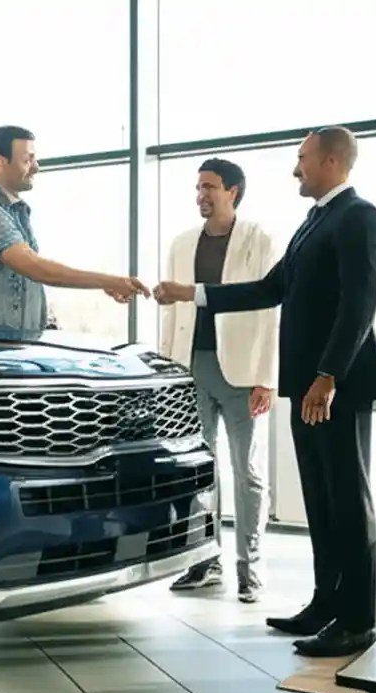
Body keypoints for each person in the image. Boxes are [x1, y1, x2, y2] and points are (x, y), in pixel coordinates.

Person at [153, 126, 376, 658]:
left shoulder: (359, 216)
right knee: (321, 501)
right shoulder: (315, 221)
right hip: (307, 387)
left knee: (349, 501)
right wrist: (191, 293)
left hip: (336, 388)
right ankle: (325, 602)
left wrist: (328, 376)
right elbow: (269, 289)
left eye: (302, 158)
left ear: (331, 160)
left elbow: (359, 305)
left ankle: (357, 619)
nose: (295, 168)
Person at [159, 158, 279, 604]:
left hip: (244, 372)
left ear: (233, 191)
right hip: (192, 368)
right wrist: (171, 370)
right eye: (197, 188)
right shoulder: (182, 243)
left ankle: (250, 568)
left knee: (247, 472)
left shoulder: (258, 239)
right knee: (197, 471)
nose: (201, 195)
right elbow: (172, 310)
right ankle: (203, 563)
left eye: (209, 186)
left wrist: (266, 377)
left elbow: (269, 311)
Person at [0, 125, 149, 331]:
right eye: (27, 160)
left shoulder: (16, 212)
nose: (36, 166)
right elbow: (36, 268)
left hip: (14, 343)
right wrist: (108, 281)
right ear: (1, 162)